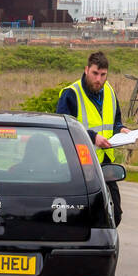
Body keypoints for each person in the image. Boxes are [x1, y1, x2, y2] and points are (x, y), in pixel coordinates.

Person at [56, 51, 124, 225]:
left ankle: (103, 247)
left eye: (103, 75)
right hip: (77, 164)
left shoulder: (109, 91)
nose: (99, 79)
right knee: (79, 215)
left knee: (115, 214)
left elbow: (115, 120)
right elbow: (63, 128)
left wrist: (121, 129)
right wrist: (92, 137)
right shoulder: (71, 94)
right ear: (86, 70)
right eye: (95, 73)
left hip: (105, 162)